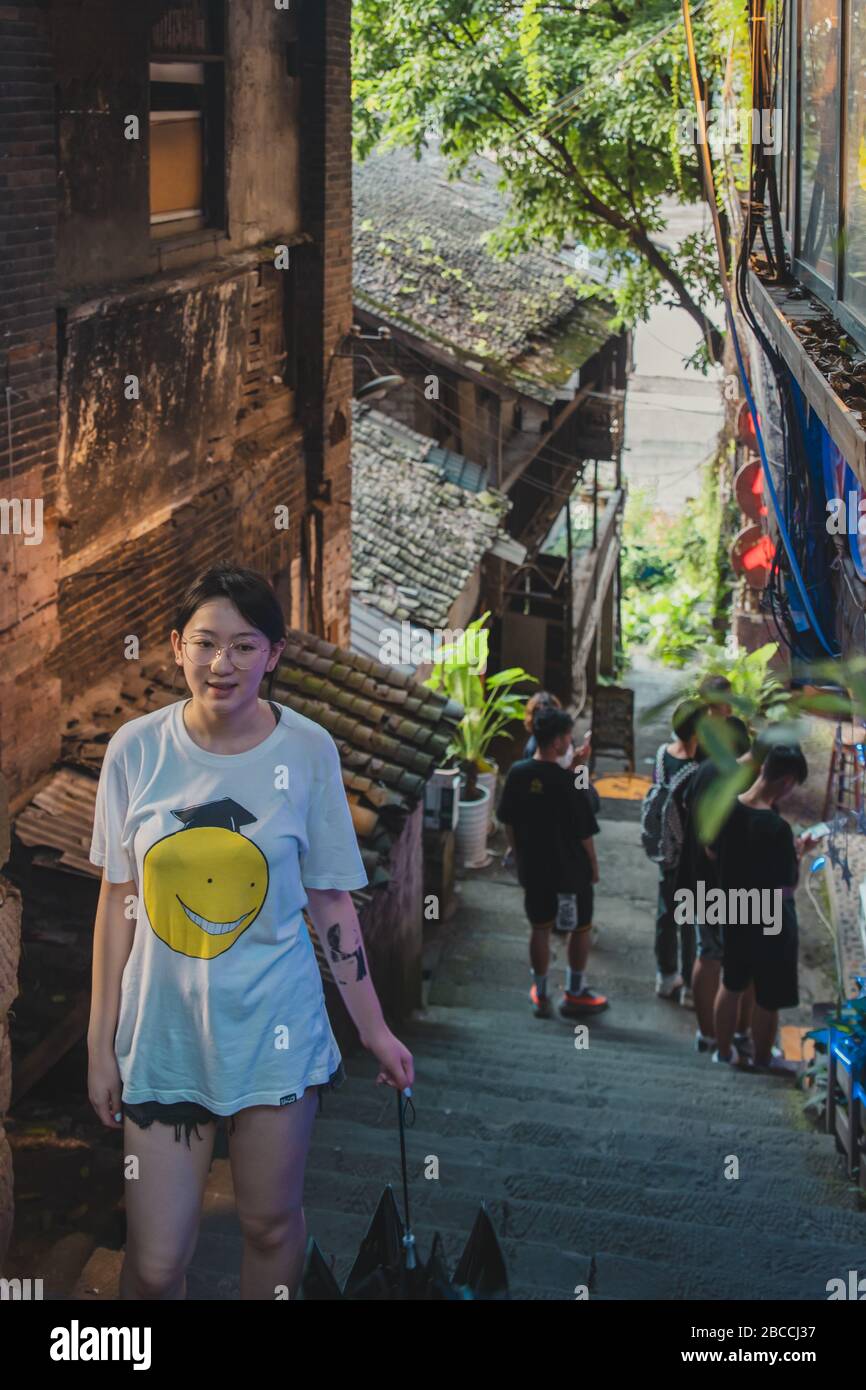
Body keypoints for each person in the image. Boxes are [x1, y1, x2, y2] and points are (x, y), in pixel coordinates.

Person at [87, 563, 414, 1300]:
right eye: (204, 643)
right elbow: (117, 903)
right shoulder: (136, 750)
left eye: (243, 646)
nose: (220, 664)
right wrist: (99, 1044)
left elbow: (331, 903)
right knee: (158, 1260)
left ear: (274, 654)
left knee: (270, 1225)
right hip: (164, 1036)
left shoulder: (307, 753)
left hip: (277, 1031)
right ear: (174, 647)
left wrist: (375, 1031)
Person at [496, 706, 607, 1020]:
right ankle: (574, 992)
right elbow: (585, 831)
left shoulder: (517, 773)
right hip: (571, 872)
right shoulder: (569, 781)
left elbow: (508, 822)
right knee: (578, 928)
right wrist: (594, 866)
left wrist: (517, 854)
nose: (570, 741)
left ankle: (541, 993)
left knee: (540, 929)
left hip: (534, 870)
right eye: (568, 736)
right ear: (558, 741)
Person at [709, 743, 810, 1072]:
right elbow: (787, 886)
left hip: (732, 908)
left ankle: (723, 1053)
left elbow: (711, 851)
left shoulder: (727, 806)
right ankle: (764, 1059)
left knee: (732, 981)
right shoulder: (777, 828)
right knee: (768, 993)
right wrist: (799, 854)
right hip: (768, 918)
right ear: (787, 782)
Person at [673, 715, 754, 1052]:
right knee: (720, 958)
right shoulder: (726, 777)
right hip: (720, 886)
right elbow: (713, 844)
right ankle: (732, 1036)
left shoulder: (702, 771)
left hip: (695, 881)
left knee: (708, 954)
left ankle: (708, 1033)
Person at [651, 699, 703, 1001]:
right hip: (690, 856)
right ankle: (689, 986)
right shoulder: (697, 771)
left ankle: (664, 975)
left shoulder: (661, 756)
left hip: (665, 850)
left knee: (665, 914)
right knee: (691, 921)